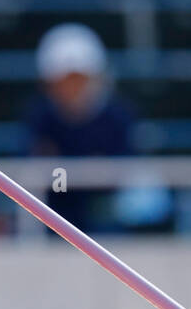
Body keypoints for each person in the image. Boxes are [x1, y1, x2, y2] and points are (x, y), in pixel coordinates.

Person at [23, 24, 136, 234]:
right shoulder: (40, 116)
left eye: (79, 79)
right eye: (65, 80)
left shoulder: (117, 116)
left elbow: (123, 171)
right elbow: (38, 166)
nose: (72, 88)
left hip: (107, 217)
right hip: (55, 215)